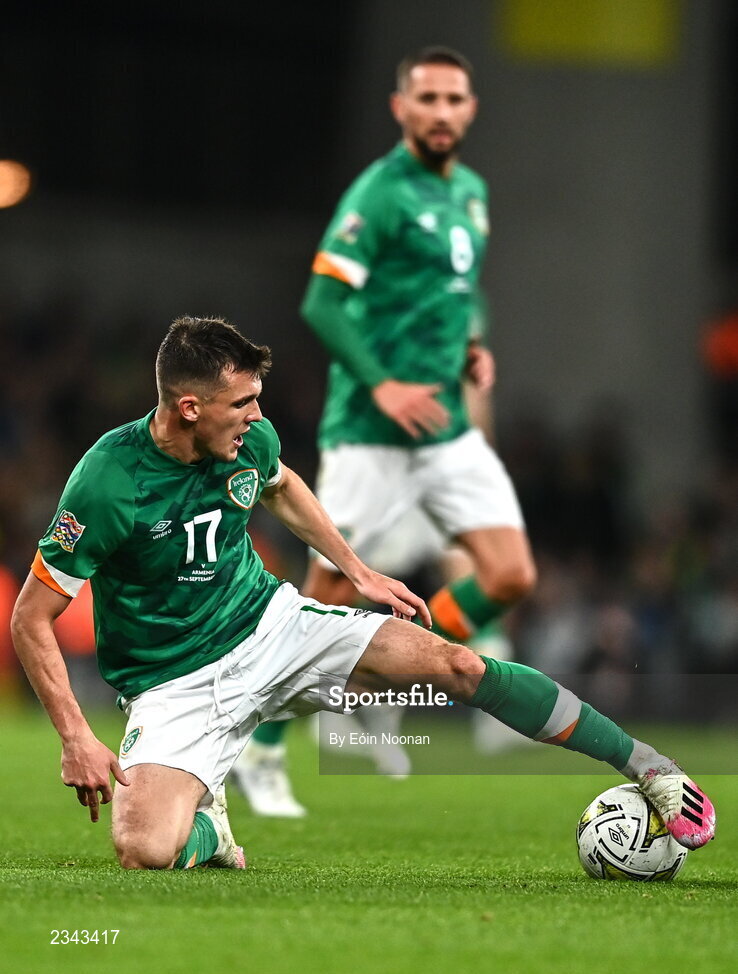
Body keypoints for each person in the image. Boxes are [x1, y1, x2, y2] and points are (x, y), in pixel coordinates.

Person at [11, 316, 715, 870]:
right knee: (144, 850)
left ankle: (647, 764)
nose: (258, 416)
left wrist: (356, 570)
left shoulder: (246, 440)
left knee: (458, 665)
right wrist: (75, 735)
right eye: (243, 402)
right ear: (189, 407)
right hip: (172, 683)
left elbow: (283, 487)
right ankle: (210, 828)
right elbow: (31, 618)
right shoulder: (108, 481)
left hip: (269, 628)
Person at [234, 45, 537, 809]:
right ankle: (262, 747)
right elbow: (323, 303)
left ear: (471, 109)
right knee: (328, 600)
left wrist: (468, 351)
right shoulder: (380, 191)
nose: (441, 112)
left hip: (444, 433)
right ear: (400, 108)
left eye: (454, 99)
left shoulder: (470, 192)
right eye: (426, 99)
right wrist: (386, 384)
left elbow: (449, 295)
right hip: (373, 431)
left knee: (509, 575)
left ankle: (381, 672)